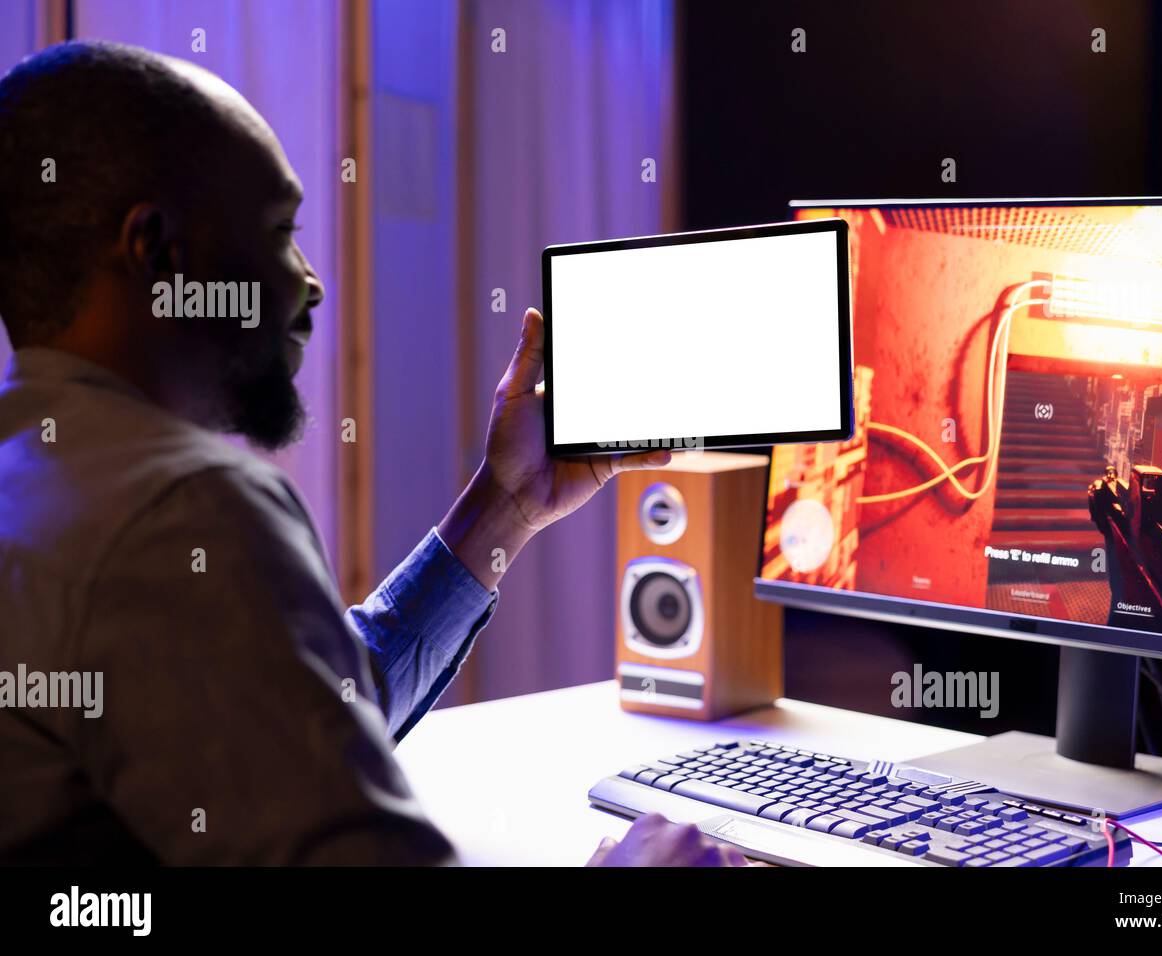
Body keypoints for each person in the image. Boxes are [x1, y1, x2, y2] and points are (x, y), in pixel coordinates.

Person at [0, 40, 745, 867]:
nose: (311, 281)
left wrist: (508, 504)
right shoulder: (181, 507)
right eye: (281, 231)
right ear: (159, 252)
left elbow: (294, 711)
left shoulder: (35, 472)